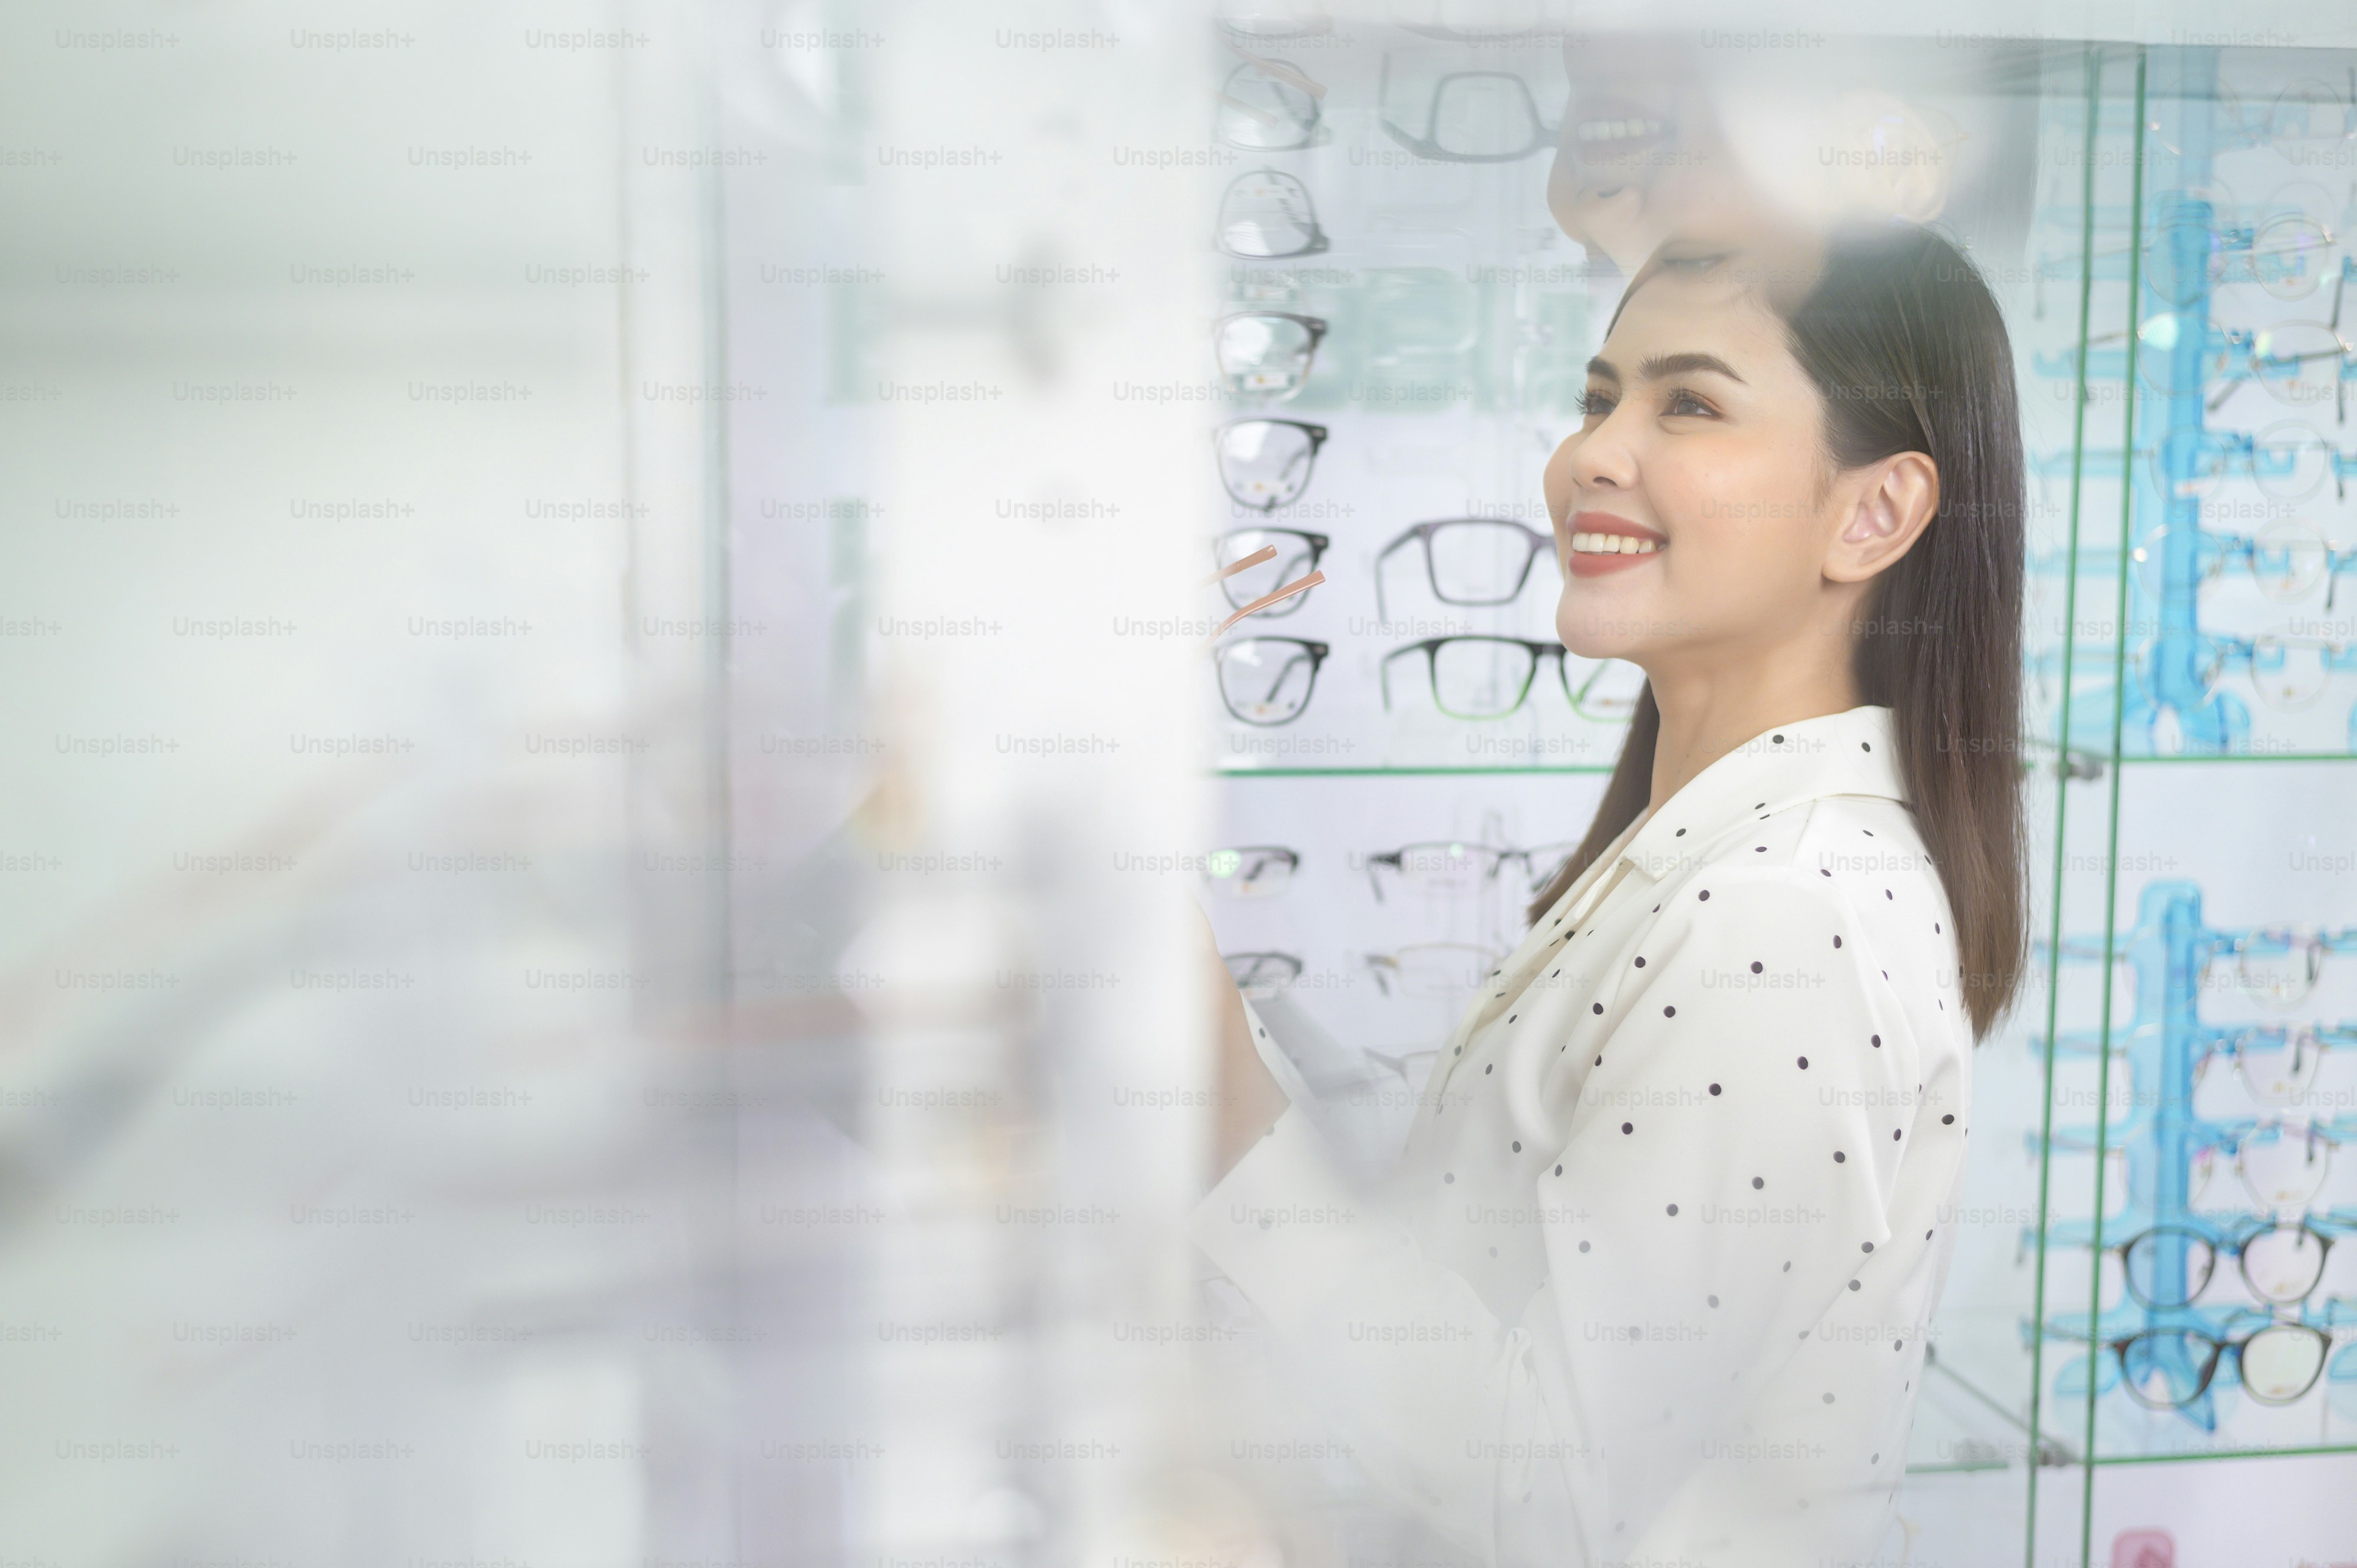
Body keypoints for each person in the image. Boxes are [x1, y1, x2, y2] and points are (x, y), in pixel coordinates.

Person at [1193, 222, 2028, 1567]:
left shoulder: (1785, 917)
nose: (1590, 451)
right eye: (1598, 397)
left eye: (1687, 402)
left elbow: (1555, 1506)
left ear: (1871, 511)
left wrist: (1225, 1117)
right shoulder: (1707, 862)